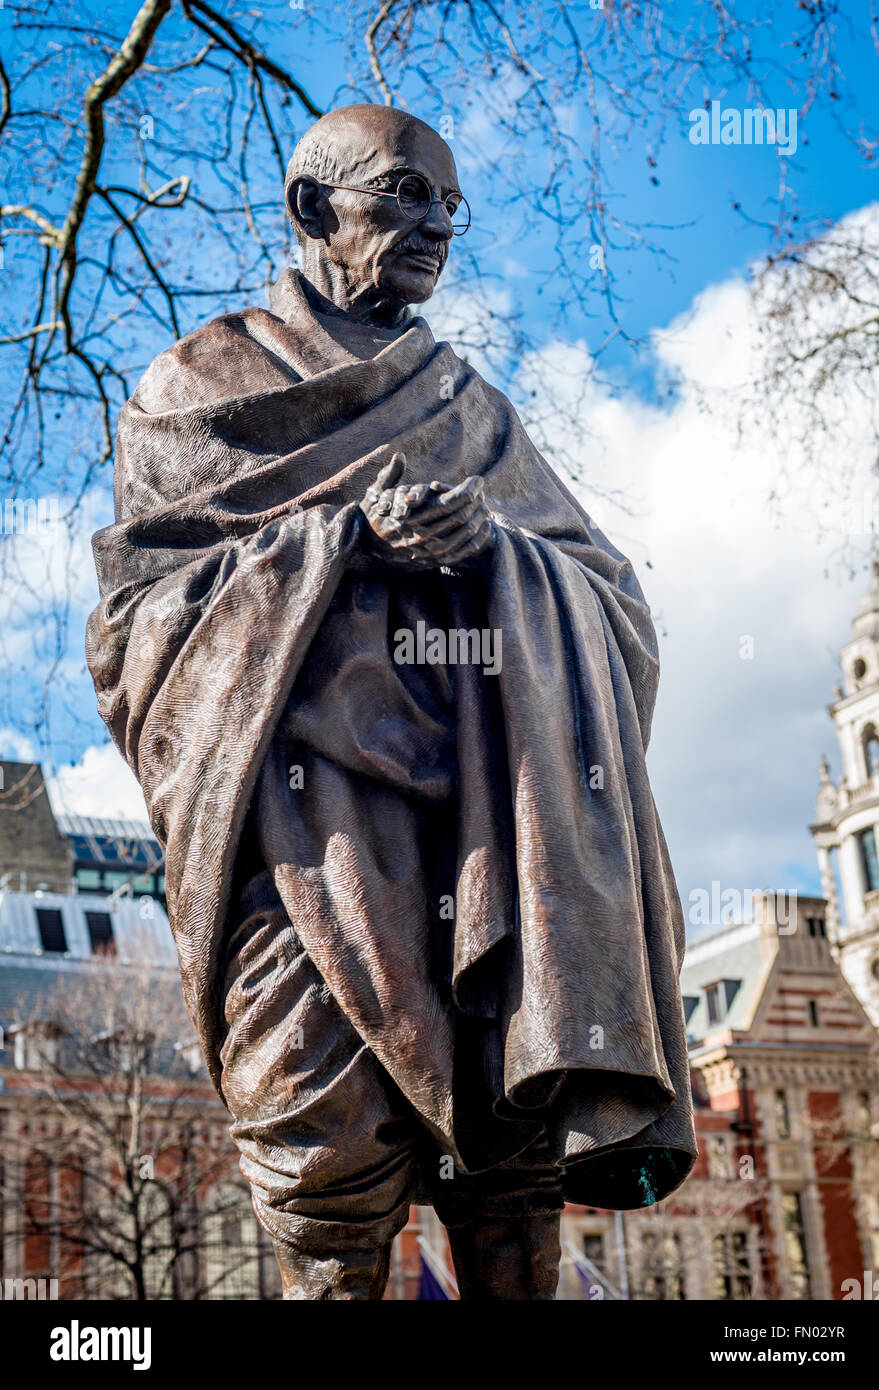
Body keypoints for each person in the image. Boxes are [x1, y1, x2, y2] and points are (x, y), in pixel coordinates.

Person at [87, 104, 696, 1300]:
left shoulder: (467, 406)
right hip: (299, 846)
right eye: (406, 195)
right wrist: (341, 545)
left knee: (511, 1175)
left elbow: (613, 605)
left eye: (448, 208)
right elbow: (133, 632)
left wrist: (495, 557)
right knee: (325, 1175)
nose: (434, 230)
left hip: (481, 837)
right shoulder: (193, 389)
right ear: (314, 208)